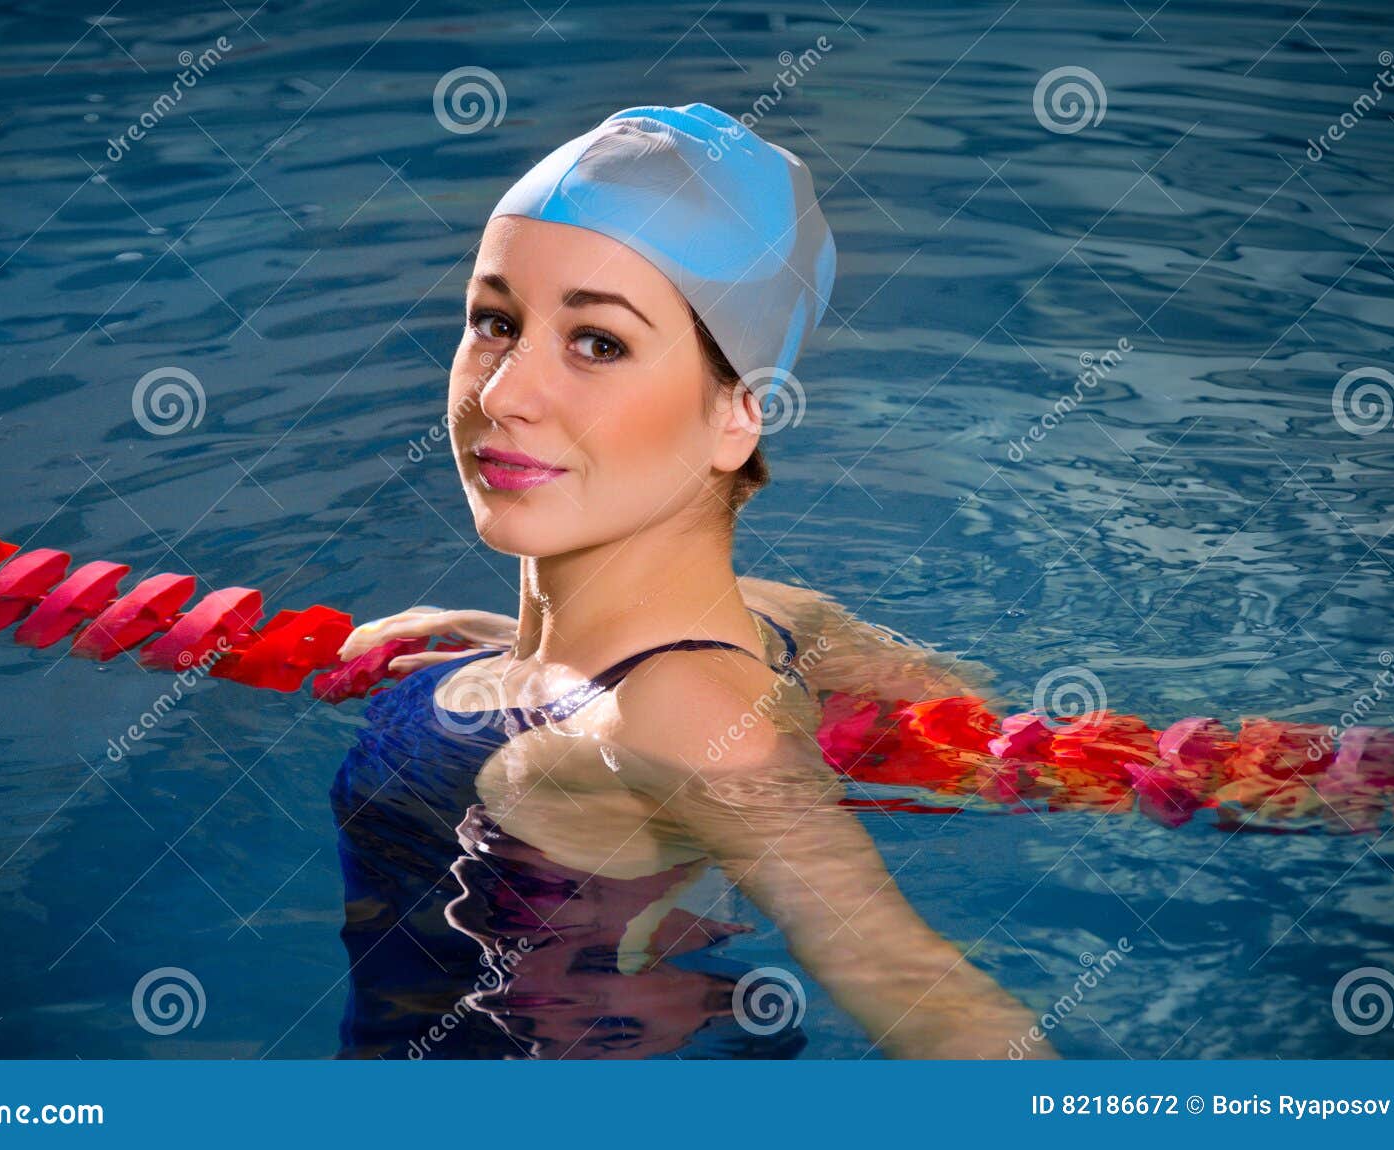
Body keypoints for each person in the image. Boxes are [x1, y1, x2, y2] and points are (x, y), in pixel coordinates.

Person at [330, 103, 1055, 1059]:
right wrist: (523, 658)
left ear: (736, 416)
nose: (502, 396)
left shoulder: (677, 715)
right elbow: (969, 725)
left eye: (599, 343)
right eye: (496, 323)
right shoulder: (778, 619)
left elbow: (916, 986)